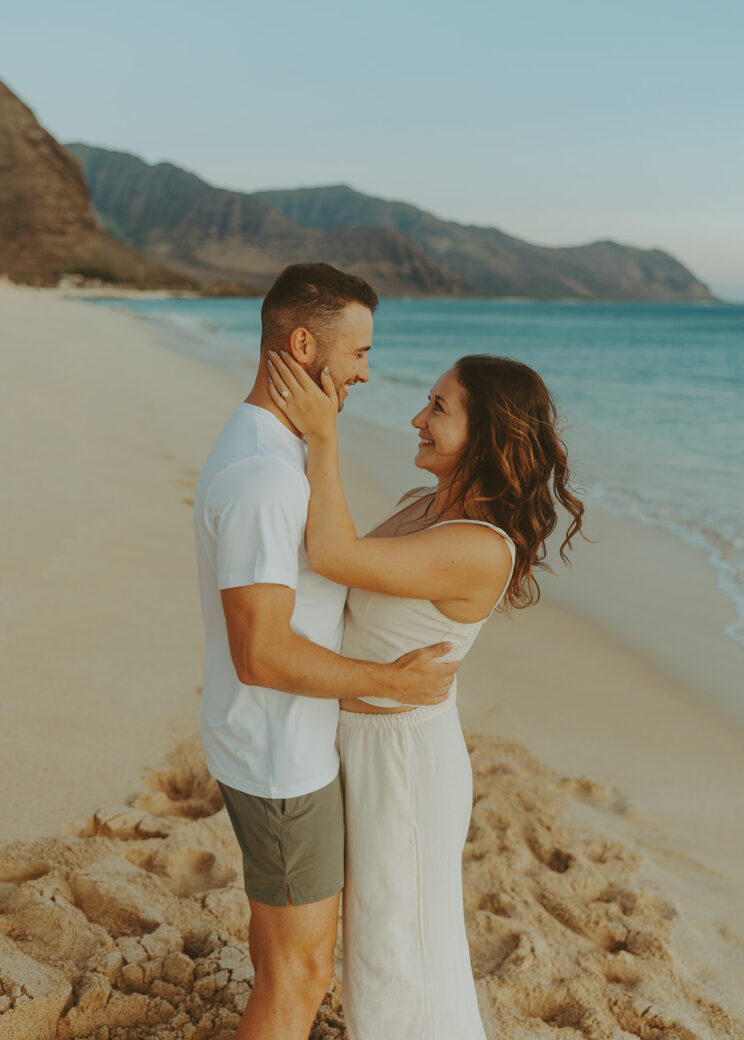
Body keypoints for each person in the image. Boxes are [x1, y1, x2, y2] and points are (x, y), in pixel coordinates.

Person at [267, 349, 585, 1040]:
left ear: (490, 434)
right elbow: (329, 551)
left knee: (398, 947)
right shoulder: (423, 504)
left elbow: (334, 555)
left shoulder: (479, 545)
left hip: (406, 760)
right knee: (381, 942)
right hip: (361, 739)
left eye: (439, 408)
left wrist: (324, 435)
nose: (418, 417)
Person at [192, 263, 458, 1040]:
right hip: (279, 756)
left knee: (288, 954)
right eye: (359, 353)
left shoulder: (279, 448)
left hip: (282, 739)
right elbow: (263, 654)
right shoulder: (264, 477)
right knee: (300, 976)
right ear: (302, 343)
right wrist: (389, 683)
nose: (366, 374)